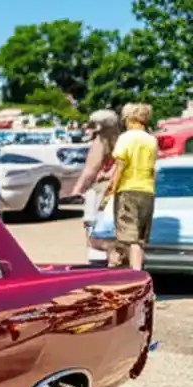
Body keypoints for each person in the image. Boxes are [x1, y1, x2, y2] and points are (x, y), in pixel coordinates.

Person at [103, 103, 158, 270]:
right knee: (139, 239)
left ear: (131, 118)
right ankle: (135, 270)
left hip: (128, 189)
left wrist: (111, 188)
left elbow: (120, 165)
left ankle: (134, 273)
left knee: (129, 238)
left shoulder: (126, 138)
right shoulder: (151, 140)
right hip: (147, 191)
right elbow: (152, 169)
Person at [71, 109, 120, 252]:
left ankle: (102, 256)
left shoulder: (101, 141)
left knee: (92, 224)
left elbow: (90, 170)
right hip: (117, 187)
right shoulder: (121, 139)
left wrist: (77, 189)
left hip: (100, 188)